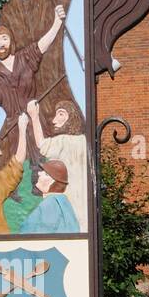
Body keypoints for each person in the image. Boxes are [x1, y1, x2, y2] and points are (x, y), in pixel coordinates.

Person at [0, 4, 66, 184]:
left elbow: (42, 45)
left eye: (4, 38)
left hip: (35, 116)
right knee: (7, 162)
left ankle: (41, 183)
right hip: (13, 125)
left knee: (43, 155)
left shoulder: (25, 58)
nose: (1, 43)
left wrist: (57, 22)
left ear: (11, 42)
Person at [26, 97, 89, 231]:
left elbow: (42, 145)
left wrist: (34, 116)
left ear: (70, 117)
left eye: (60, 114)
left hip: (70, 211)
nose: (54, 120)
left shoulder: (64, 141)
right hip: (83, 215)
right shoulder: (83, 141)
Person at [21, 160, 80, 235]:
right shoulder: (62, 201)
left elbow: (41, 235)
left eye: (46, 174)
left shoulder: (50, 204)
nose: (39, 173)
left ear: (53, 182)